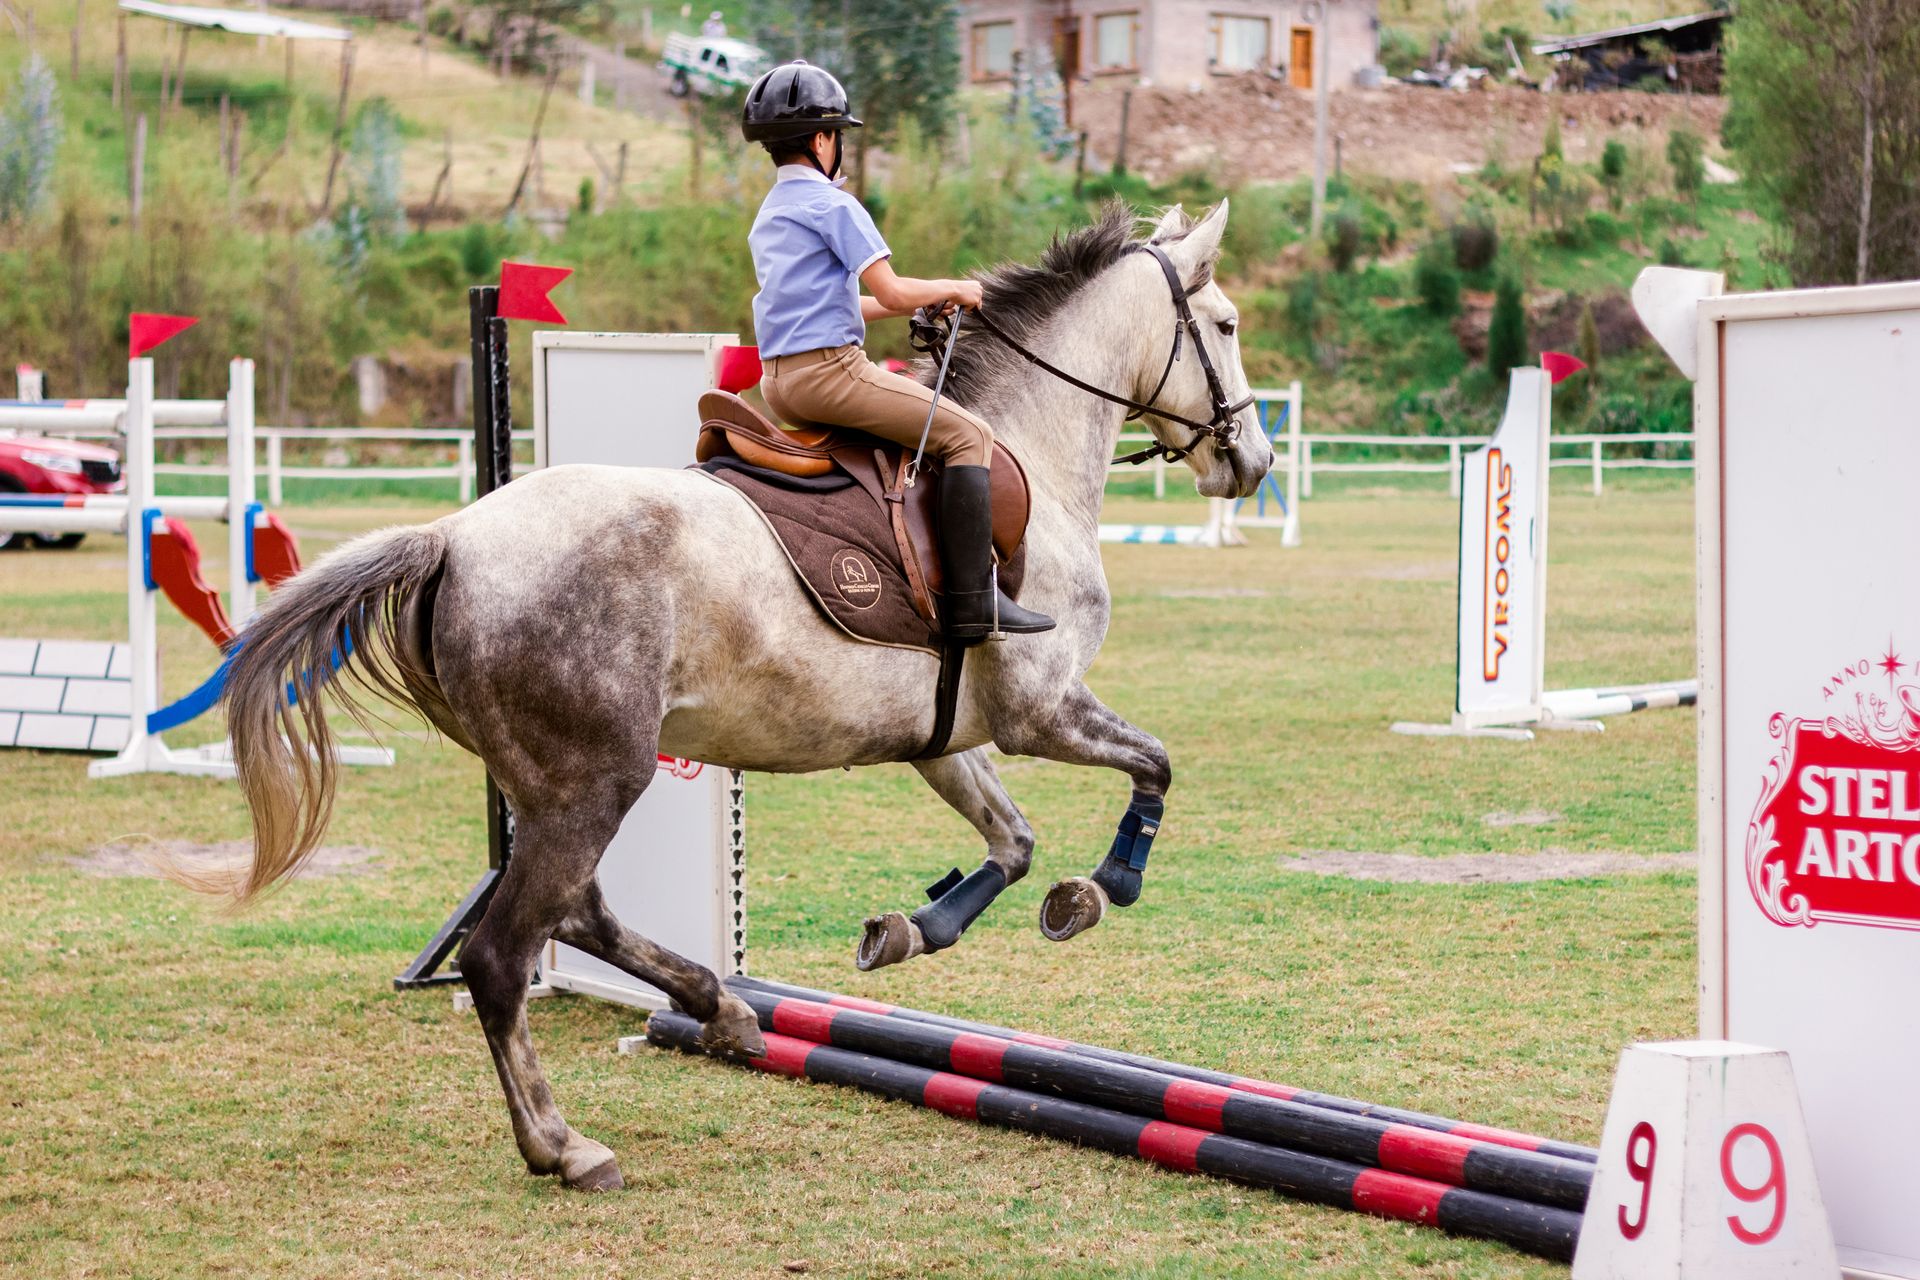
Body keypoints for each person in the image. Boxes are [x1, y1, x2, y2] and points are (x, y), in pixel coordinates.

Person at [740, 61, 1053, 641]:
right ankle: (973, 601)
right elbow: (889, 286)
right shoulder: (836, 206)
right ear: (821, 139)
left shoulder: (772, 214)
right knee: (969, 437)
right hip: (831, 375)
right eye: (839, 137)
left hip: (780, 382)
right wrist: (955, 288)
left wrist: (915, 305)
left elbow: (850, 306)